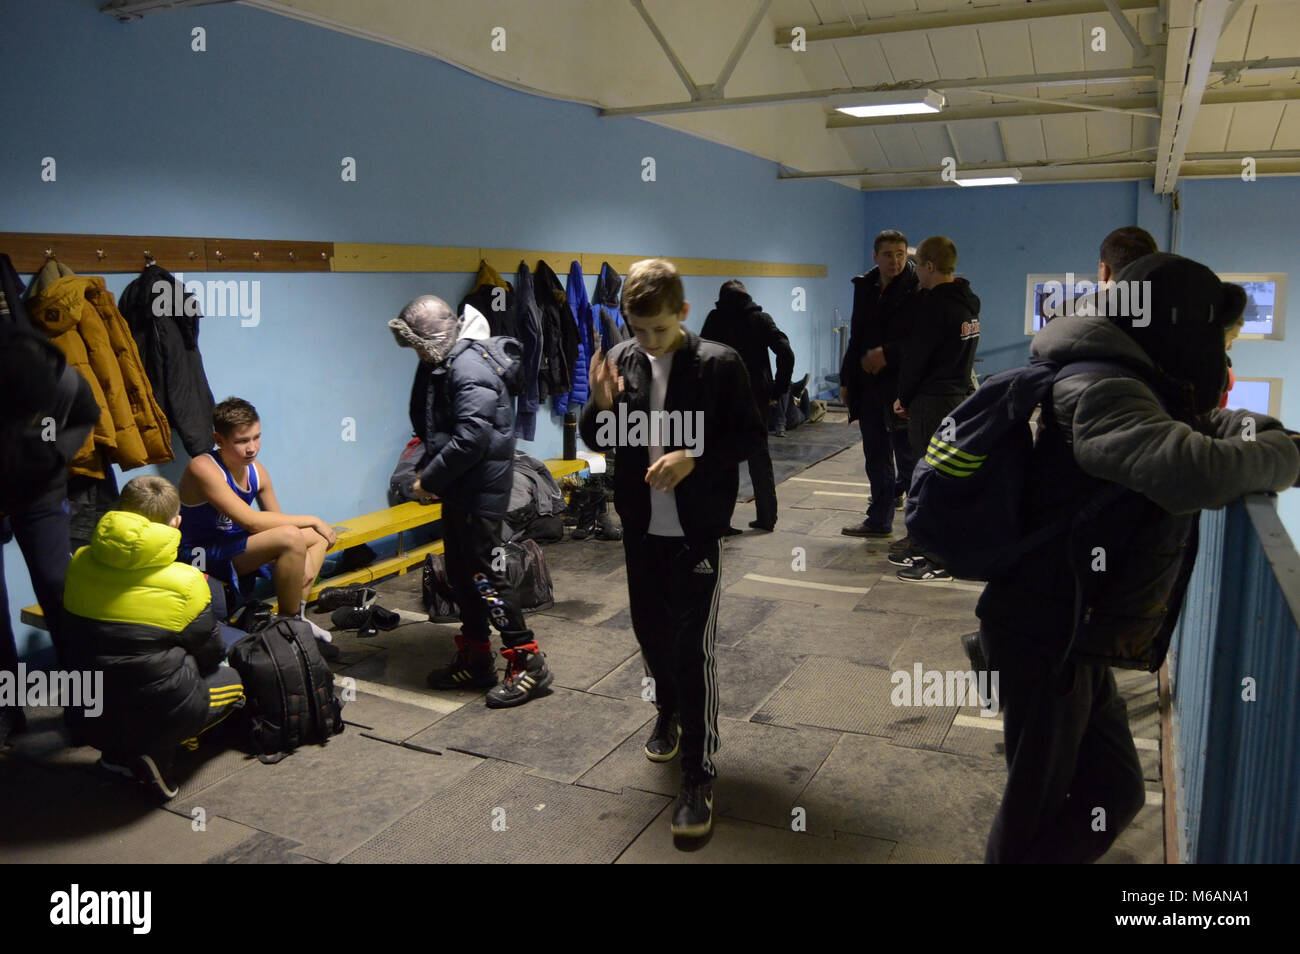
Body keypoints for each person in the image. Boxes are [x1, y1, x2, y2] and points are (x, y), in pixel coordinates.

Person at [975, 252, 1300, 863]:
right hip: (1045, 629)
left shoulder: (1129, 375)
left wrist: (1266, 436)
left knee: (1116, 789)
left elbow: (1197, 423)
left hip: (1074, 628)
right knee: (1030, 817)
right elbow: (1191, 469)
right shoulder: (1097, 387)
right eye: (1212, 333)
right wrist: (1291, 458)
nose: (1218, 351)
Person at [579, 258, 766, 840]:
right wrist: (600, 406)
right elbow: (598, 438)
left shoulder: (718, 363)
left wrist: (694, 456)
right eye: (638, 330)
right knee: (650, 634)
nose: (648, 342)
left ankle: (698, 776)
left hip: (696, 531)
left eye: (658, 329)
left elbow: (751, 437)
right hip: (641, 528)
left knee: (693, 650)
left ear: (682, 314)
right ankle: (669, 712)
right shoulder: (623, 360)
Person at [390, 295, 554, 708]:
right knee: (463, 575)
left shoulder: (468, 367)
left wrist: (429, 478)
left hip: (480, 488)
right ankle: (477, 657)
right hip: (461, 487)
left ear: (434, 336)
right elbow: (432, 428)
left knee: (487, 576)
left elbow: (472, 438)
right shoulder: (443, 363)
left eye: (417, 345)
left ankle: (527, 661)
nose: (416, 354)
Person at [63, 476, 245, 799]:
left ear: (121, 513)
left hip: (84, 711)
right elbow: (212, 653)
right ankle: (162, 752)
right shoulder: (187, 581)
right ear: (176, 523)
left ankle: (115, 752)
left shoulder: (78, 564)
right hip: (157, 712)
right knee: (233, 679)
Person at [0, 325, 100, 746]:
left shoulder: (61, 377)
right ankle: (8, 709)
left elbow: (85, 414)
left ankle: (85, 709)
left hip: (40, 491)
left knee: (61, 594)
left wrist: (55, 452)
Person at [177, 398, 337, 621]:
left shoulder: (257, 471)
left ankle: (297, 618)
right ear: (219, 440)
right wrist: (313, 519)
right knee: (293, 536)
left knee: (316, 536)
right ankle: (287, 624)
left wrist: (305, 557)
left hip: (234, 546)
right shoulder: (202, 468)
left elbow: (278, 519)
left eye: (256, 437)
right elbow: (252, 522)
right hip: (199, 555)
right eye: (242, 441)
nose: (252, 448)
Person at [891, 236, 981, 581]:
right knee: (941, 475)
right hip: (956, 398)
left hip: (931, 401)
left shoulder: (934, 307)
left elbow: (917, 359)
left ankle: (935, 557)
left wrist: (904, 396)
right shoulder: (968, 302)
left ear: (929, 267)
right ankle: (922, 543)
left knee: (929, 478)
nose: (915, 274)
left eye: (917, 267)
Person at [841, 230, 920, 538]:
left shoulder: (916, 289)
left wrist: (887, 354)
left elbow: (919, 341)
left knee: (908, 459)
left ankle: (917, 529)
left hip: (901, 387)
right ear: (875, 256)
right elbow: (856, 337)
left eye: (900, 254)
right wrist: (847, 379)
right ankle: (879, 520)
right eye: (888, 255)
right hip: (868, 385)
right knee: (876, 456)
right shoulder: (865, 287)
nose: (896, 261)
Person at [700, 279, 794, 532]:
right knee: (759, 455)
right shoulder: (761, 319)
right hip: (756, 396)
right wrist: (779, 388)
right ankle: (767, 517)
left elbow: (701, 356)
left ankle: (721, 520)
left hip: (722, 396)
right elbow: (785, 352)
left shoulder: (715, 319)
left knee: (722, 459)